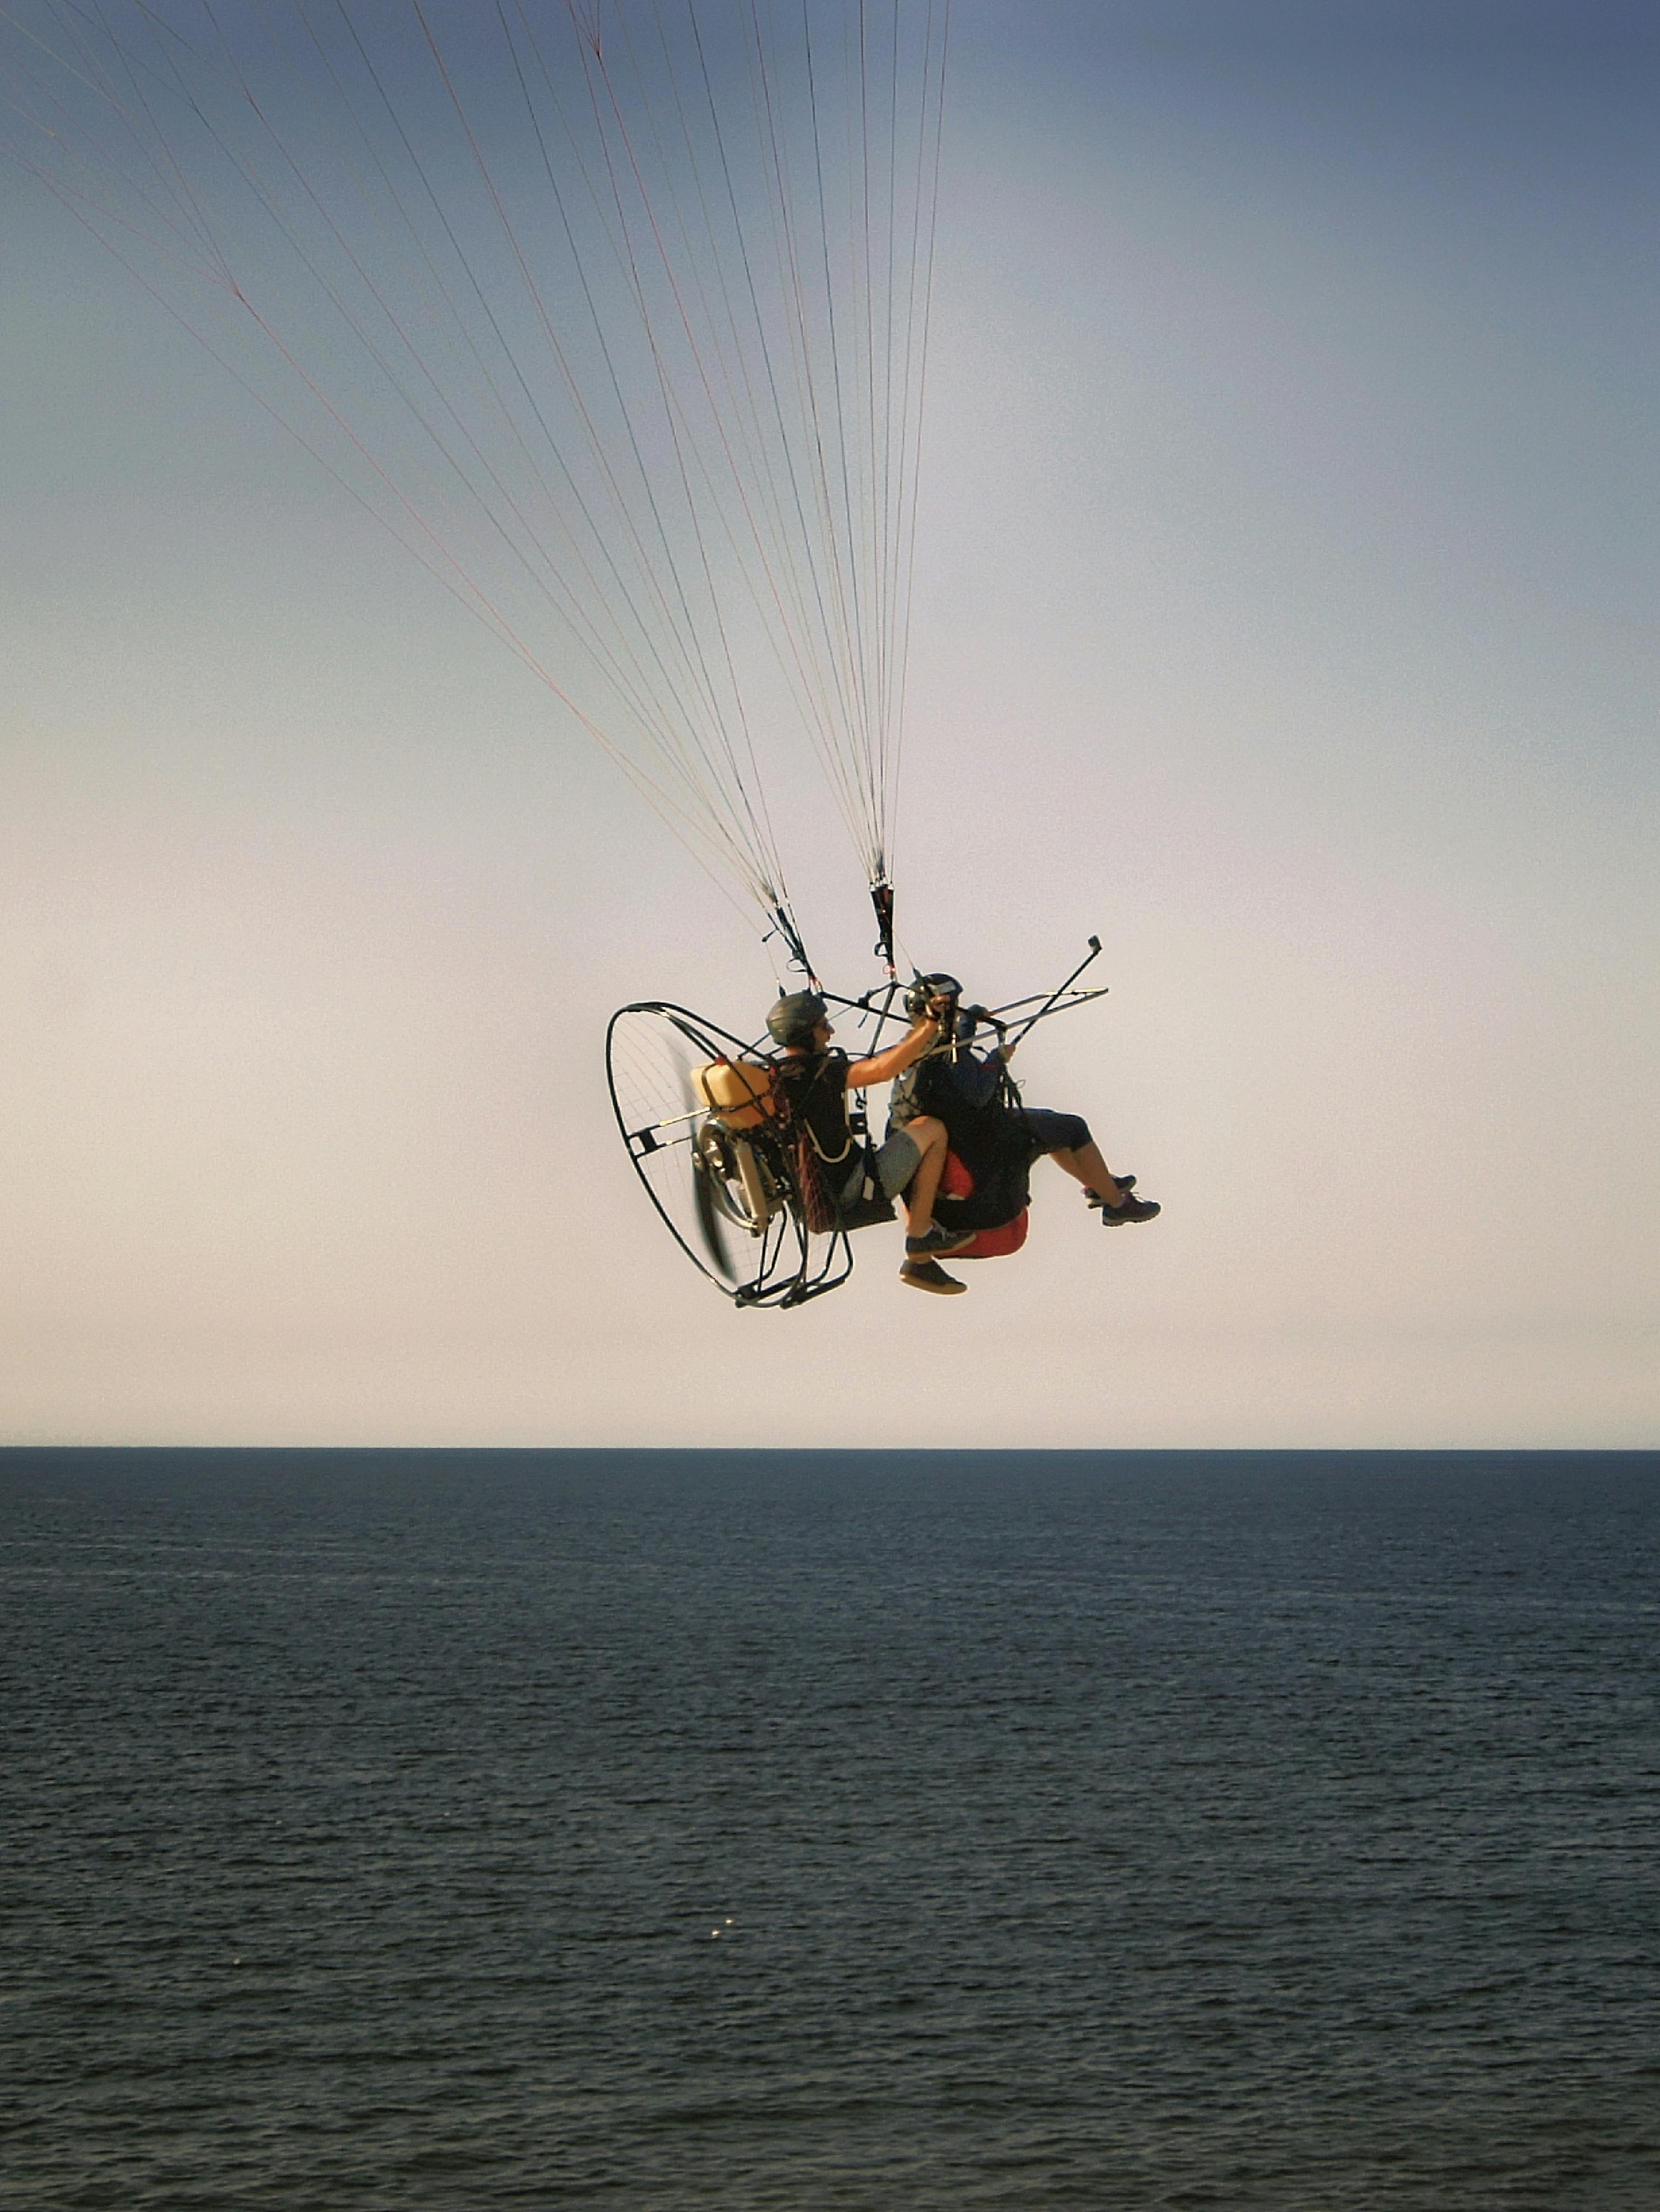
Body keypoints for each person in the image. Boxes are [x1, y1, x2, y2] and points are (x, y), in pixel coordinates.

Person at [887, 974, 1159, 1291]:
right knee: (1073, 1128)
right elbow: (978, 1091)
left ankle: (1098, 1185)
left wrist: (970, 1021)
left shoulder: (910, 1051)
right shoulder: (946, 1050)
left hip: (959, 1135)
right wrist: (997, 1059)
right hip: (977, 1142)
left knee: (1050, 1126)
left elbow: (956, 1057)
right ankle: (1116, 1204)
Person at [767, 989, 973, 1292]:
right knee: (931, 1129)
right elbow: (882, 1069)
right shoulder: (819, 1073)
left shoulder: (775, 1080)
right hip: (852, 1193)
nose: (830, 1032)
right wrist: (930, 1025)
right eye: (823, 1026)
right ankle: (920, 1235)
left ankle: (921, 1261)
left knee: (908, 1133)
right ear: (804, 1033)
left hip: (812, 1206)